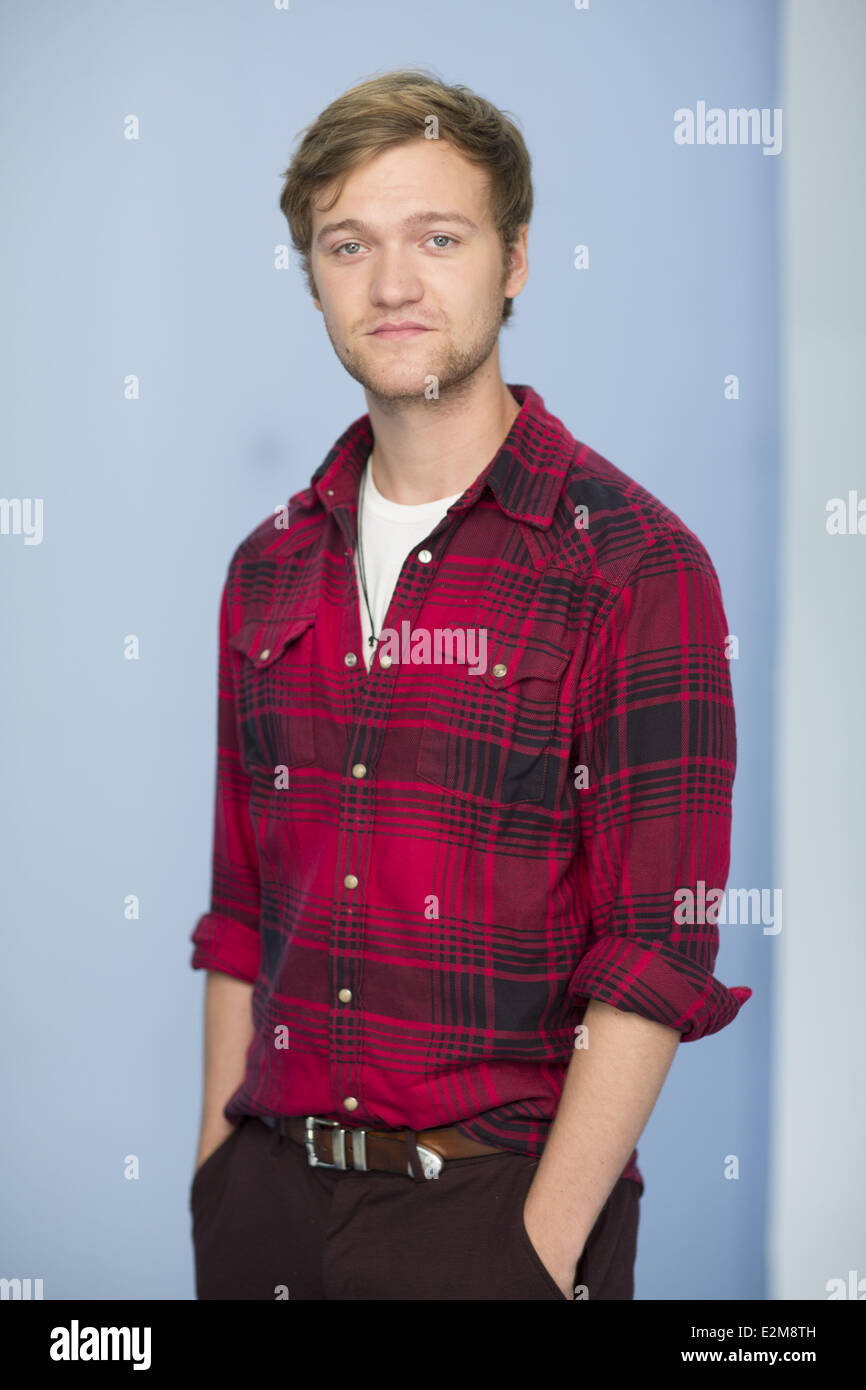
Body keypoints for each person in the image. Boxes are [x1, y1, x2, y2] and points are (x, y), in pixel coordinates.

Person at [188, 68, 752, 1301]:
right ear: (315, 274)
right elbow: (241, 909)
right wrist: (216, 1175)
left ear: (513, 261)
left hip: (492, 1215)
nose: (392, 284)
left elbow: (654, 951)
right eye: (349, 244)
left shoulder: (633, 566)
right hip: (267, 1210)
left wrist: (528, 1260)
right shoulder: (268, 567)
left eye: (437, 237)